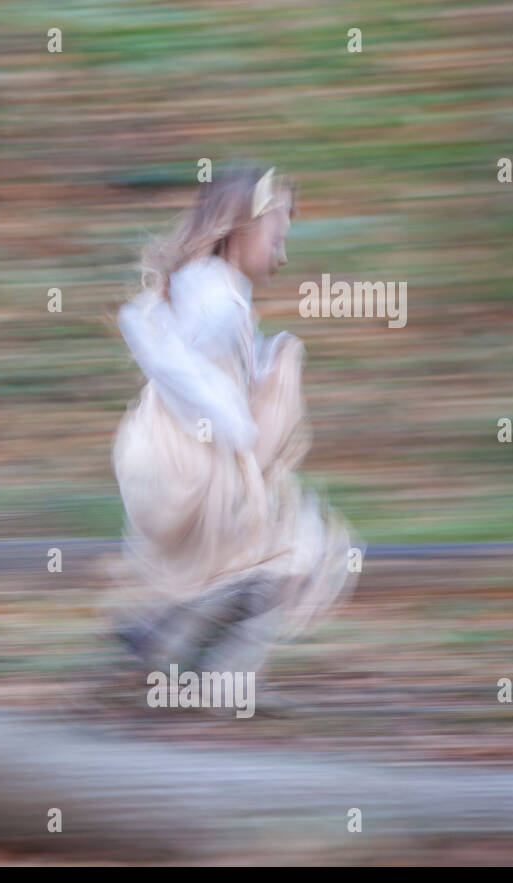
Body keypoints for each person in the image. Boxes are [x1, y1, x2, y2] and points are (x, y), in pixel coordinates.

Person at [109, 164, 356, 703]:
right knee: (303, 549)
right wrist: (229, 412)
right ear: (243, 228)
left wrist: (253, 374)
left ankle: (162, 634)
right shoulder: (216, 296)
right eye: (277, 236)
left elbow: (170, 338)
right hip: (189, 464)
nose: (282, 254)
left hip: (174, 457)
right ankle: (211, 671)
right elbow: (161, 348)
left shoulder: (212, 285)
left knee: (274, 552)